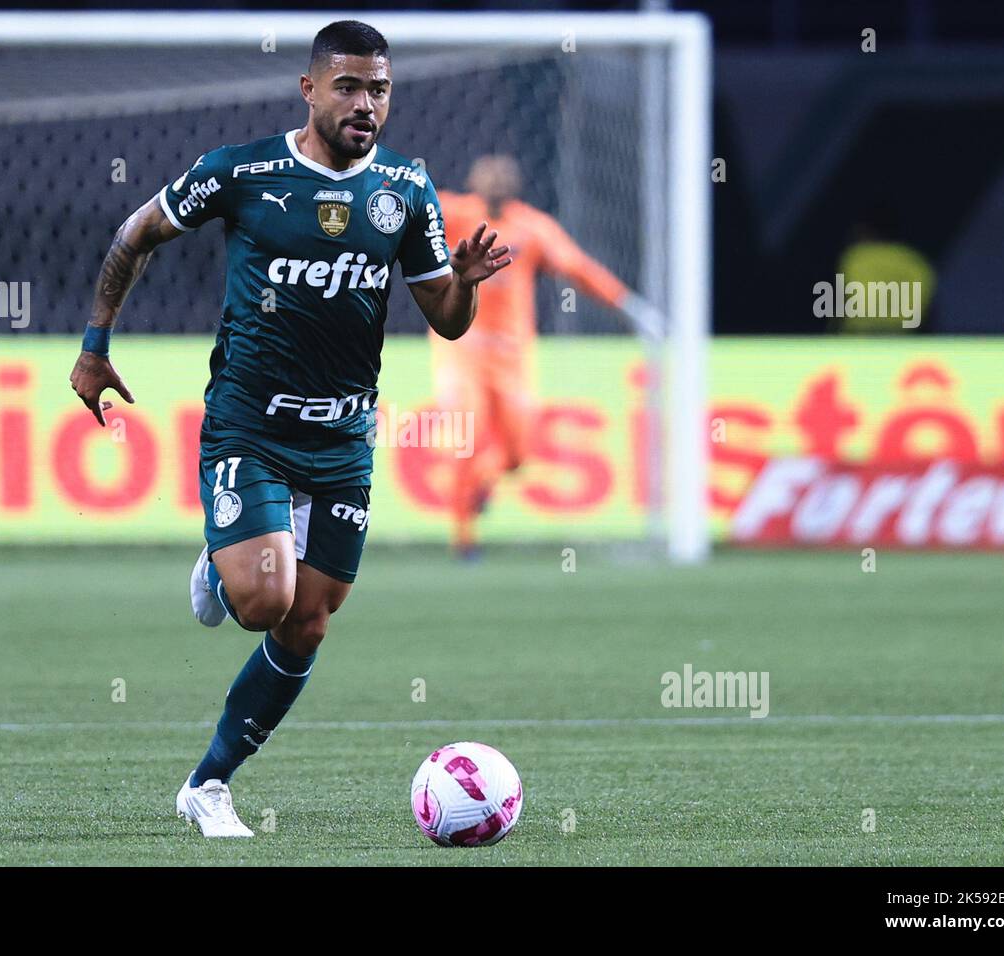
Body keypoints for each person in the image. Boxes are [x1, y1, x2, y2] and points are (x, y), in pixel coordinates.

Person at [67, 20, 511, 837]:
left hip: (344, 438)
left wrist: (469, 285)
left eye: (379, 89)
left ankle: (207, 785)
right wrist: (95, 344)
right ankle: (226, 558)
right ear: (309, 90)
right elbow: (136, 236)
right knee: (262, 599)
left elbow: (445, 319)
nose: (365, 104)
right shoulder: (241, 173)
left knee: (309, 620)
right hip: (250, 426)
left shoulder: (407, 190)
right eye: (348, 86)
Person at [430, 154, 654, 557]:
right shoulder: (456, 212)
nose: (497, 181)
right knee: (469, 436)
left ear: (517, 182)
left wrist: (628, 306)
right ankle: (463, 540)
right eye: (489, 174)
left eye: (504, 175)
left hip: (512, 355)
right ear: (473, 179)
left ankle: (483, 483)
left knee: (518, 454)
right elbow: (407, 216)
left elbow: (579, 269)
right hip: (462, 348)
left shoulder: (532, 228)